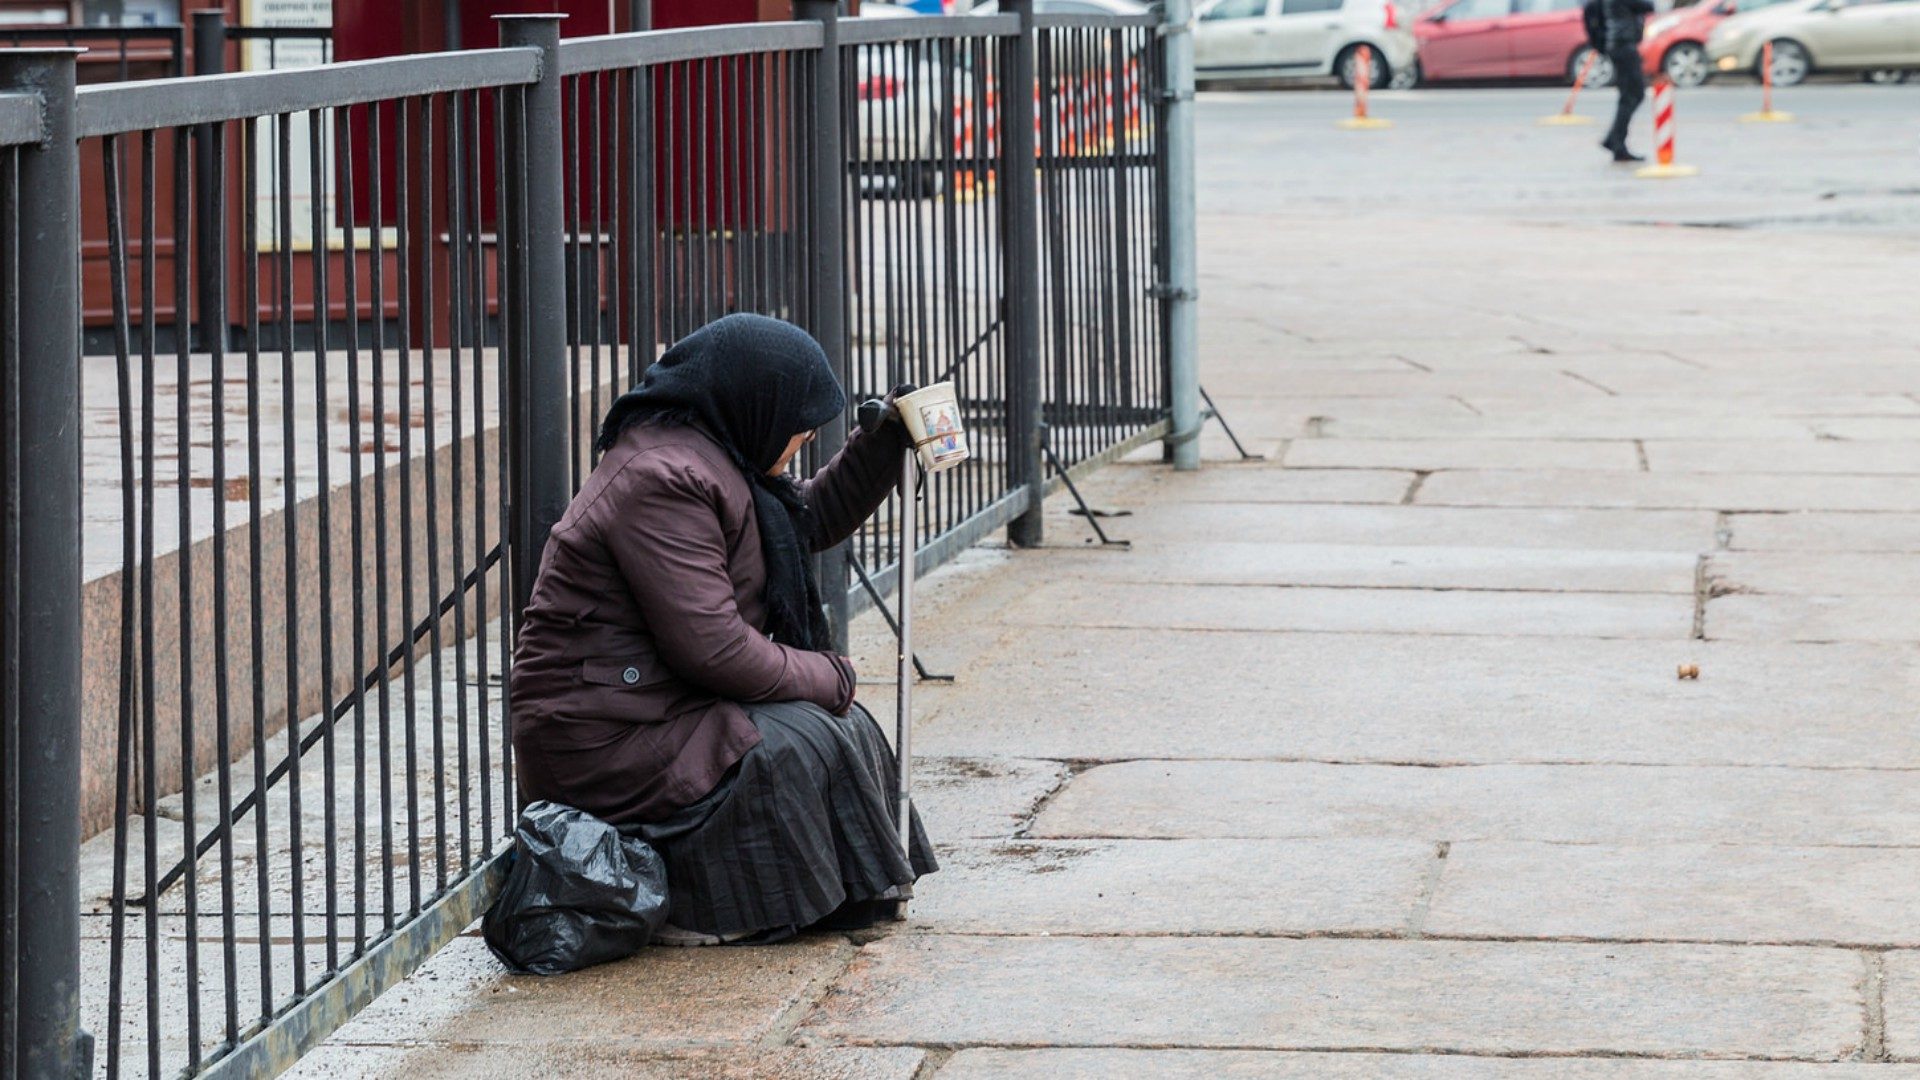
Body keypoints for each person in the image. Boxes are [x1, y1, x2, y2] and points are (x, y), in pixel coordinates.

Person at [509, 313, 936, 945]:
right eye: (798, 431)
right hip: (599, 735)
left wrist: (881, 447)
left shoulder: (716, 454)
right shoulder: (662, 480)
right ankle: (701, 908)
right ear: (755, 405)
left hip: (652, 702)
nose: (799, 445)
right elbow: (716, 650)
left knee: (839, 724)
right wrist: (830, 674)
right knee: (790, 744)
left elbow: (802, 521)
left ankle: (845, 896)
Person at [1602, 0, 1656, 162]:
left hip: (1621, 44)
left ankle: (1615, 140)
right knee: (1635, 94)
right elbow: (1647, 6)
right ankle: (1616, 141)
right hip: (1624, 45)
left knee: (1628, 96)